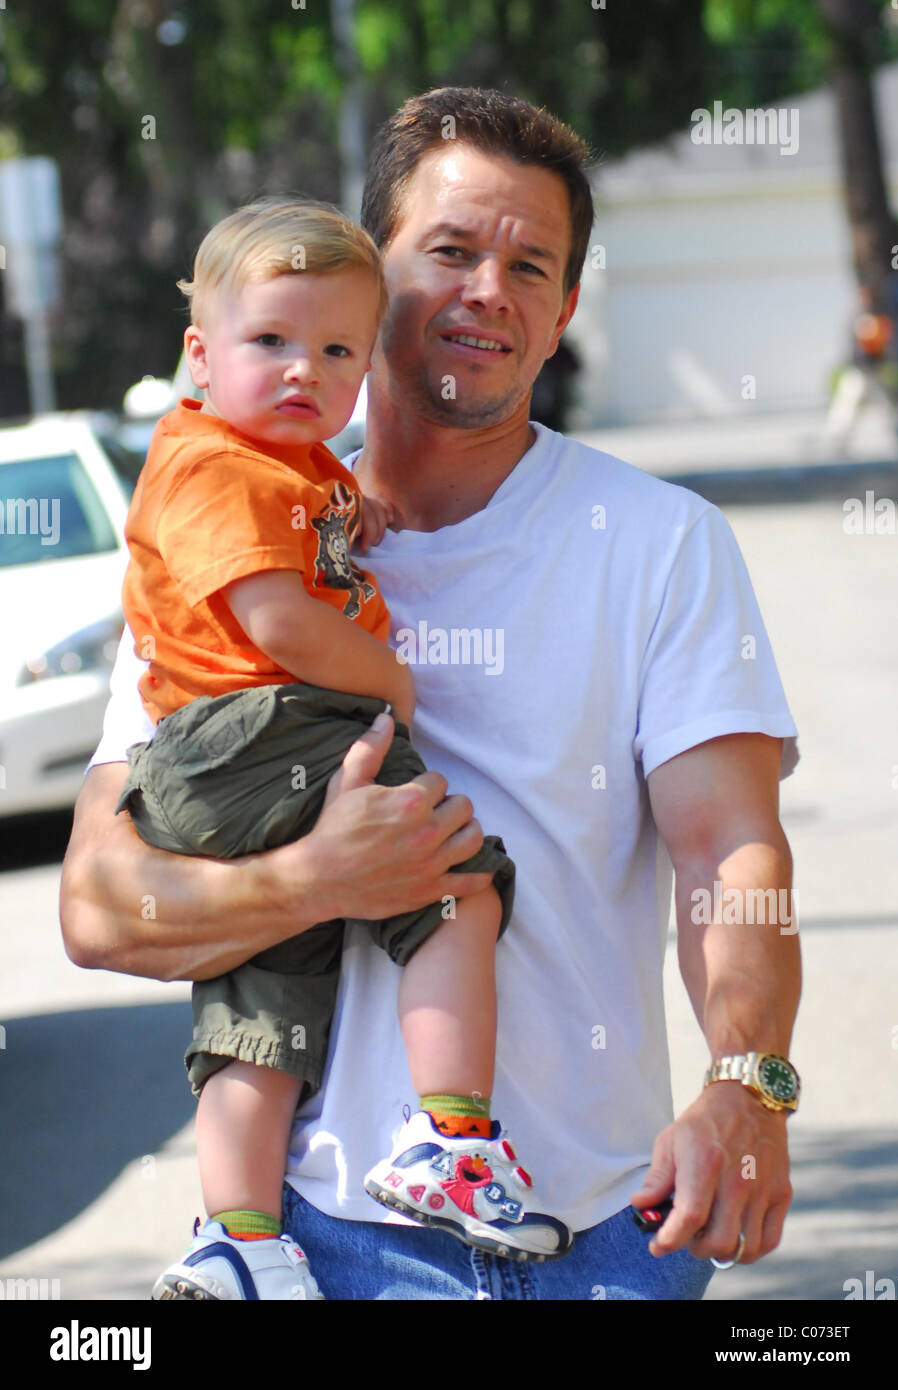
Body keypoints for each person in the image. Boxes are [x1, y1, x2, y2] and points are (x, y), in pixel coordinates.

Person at [61, 86, 801, 1301]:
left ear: (563, 312)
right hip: (321, 1246)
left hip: (610, 1246)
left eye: (530, 265)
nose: (488, 291)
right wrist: (313, 880)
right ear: (372, 276)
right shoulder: (234, 535)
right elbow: (97, 908)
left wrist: (748, 1080)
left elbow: (733, 849)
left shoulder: (661, 541)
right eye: (450, 251)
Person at [115, 197, 571, 1300]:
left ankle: (239, 1236)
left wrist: (349, 512)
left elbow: (308, 534)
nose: (300, 372)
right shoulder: (213, 465)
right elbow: (277, 621)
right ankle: (452, 1138)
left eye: (335, 351)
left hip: (219, 771)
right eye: (268, 341)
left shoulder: (287, 465)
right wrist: (391, 681)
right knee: (455, 883)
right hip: (263, 728)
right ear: (199, 353)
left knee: (260, 1002)